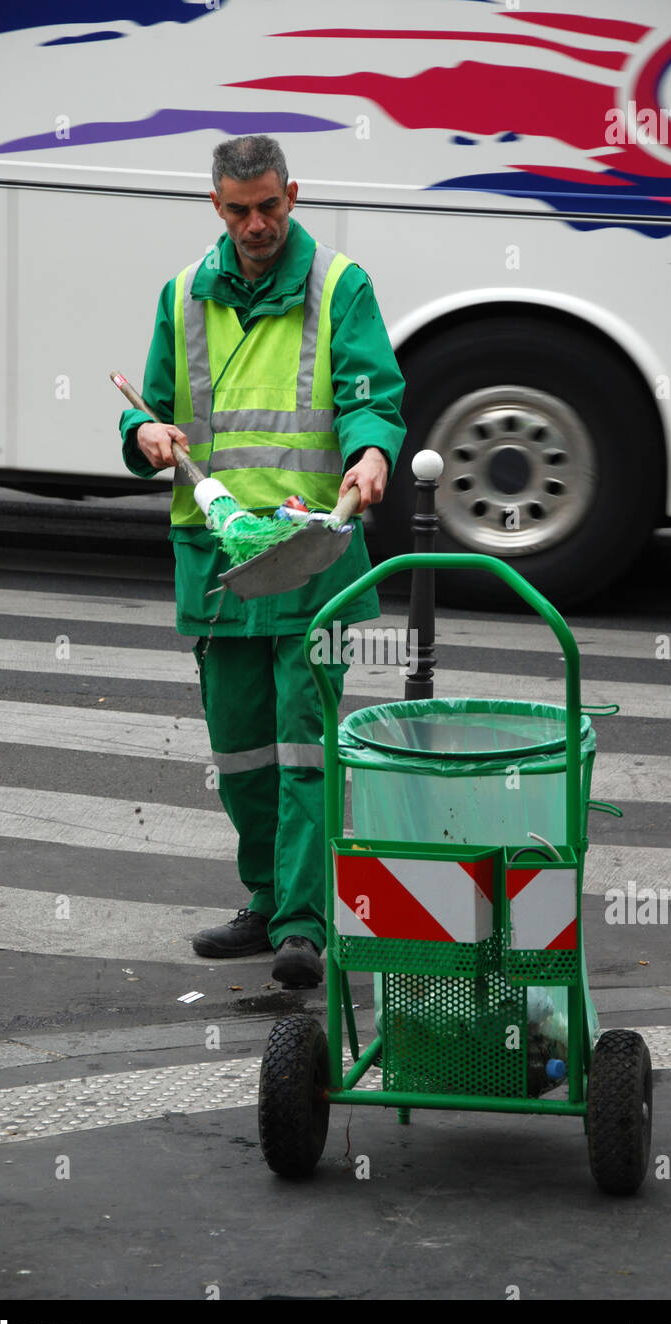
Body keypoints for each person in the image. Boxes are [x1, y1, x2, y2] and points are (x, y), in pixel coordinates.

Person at [119, 135, 406, 988]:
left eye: (270, 206)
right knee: (241, 752)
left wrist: (371, 453)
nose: (256, 224)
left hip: (311, 557)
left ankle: (304, 926)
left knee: (304, 747)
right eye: (239, 209)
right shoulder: (181, 297)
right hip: (216, 561)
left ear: (293, 195)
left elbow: (371, 396)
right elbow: (147, 420)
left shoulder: (340, 288)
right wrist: (144, 434)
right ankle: (265, 898)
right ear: (216, 206)